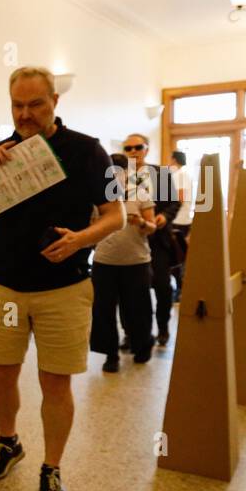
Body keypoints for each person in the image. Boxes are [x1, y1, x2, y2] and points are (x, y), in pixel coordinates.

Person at [0, 67, 125, 491]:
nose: (25, 114)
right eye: (17, 105)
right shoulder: (6, 153)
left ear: (54, 101)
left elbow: (115, 216)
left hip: (64, 288)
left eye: (36, 104)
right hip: (6, 284)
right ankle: (8, 442)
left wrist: (80, 239)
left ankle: (52, 467)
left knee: (55, 382)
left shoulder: (89, 152)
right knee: (2, 373)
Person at [93, 153, 155, 372]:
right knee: (103, 311)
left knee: (138, 309)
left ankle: (142, 346)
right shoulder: (98, 196)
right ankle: (111, 355)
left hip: (136, 261)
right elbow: (90, 226)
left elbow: (152, 226)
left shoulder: (140, 193)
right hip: (104, 261)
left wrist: (140, 222)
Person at [122, 134, 178, 346]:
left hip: (157, 240)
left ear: (147, 149)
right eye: (128, 148)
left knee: (163, 287)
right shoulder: (118, 176)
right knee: (128, 290)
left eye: (138, 147)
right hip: (128, 241)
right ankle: (130, 332)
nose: (133, 151)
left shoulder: (160, 174)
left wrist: (164, 216)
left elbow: (173, 203)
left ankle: (163, 327)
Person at [168, 150, 193, 296]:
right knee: (179, 255)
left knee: (176, 256)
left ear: (173, 159)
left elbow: (180, 197)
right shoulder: (185, 175)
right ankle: (180, 287)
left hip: (177, 220)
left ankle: (180, 288)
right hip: (183, 220)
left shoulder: (179, 175)